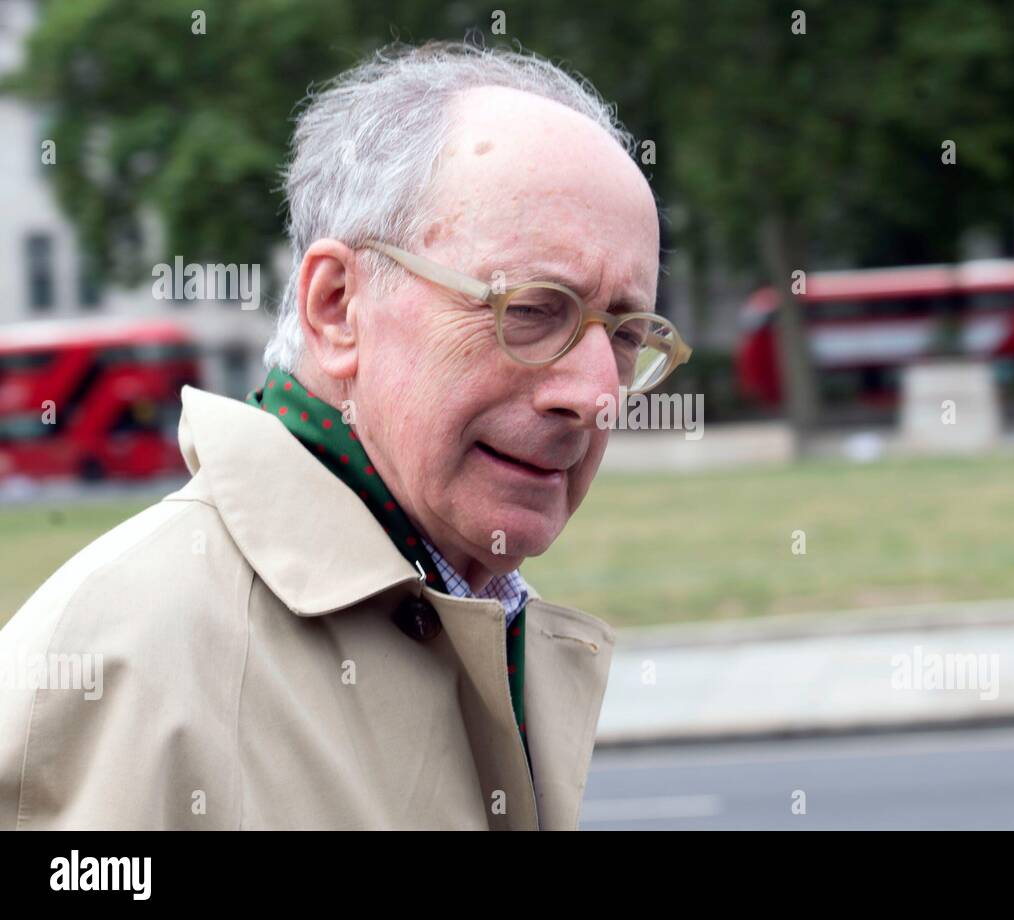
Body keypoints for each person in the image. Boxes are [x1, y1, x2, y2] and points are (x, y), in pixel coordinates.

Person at [0, 40, 690, 830]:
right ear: (337, 307)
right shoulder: (126, 659)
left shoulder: (464, 606)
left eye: (628, 334)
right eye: (531, 310)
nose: (597, 393)